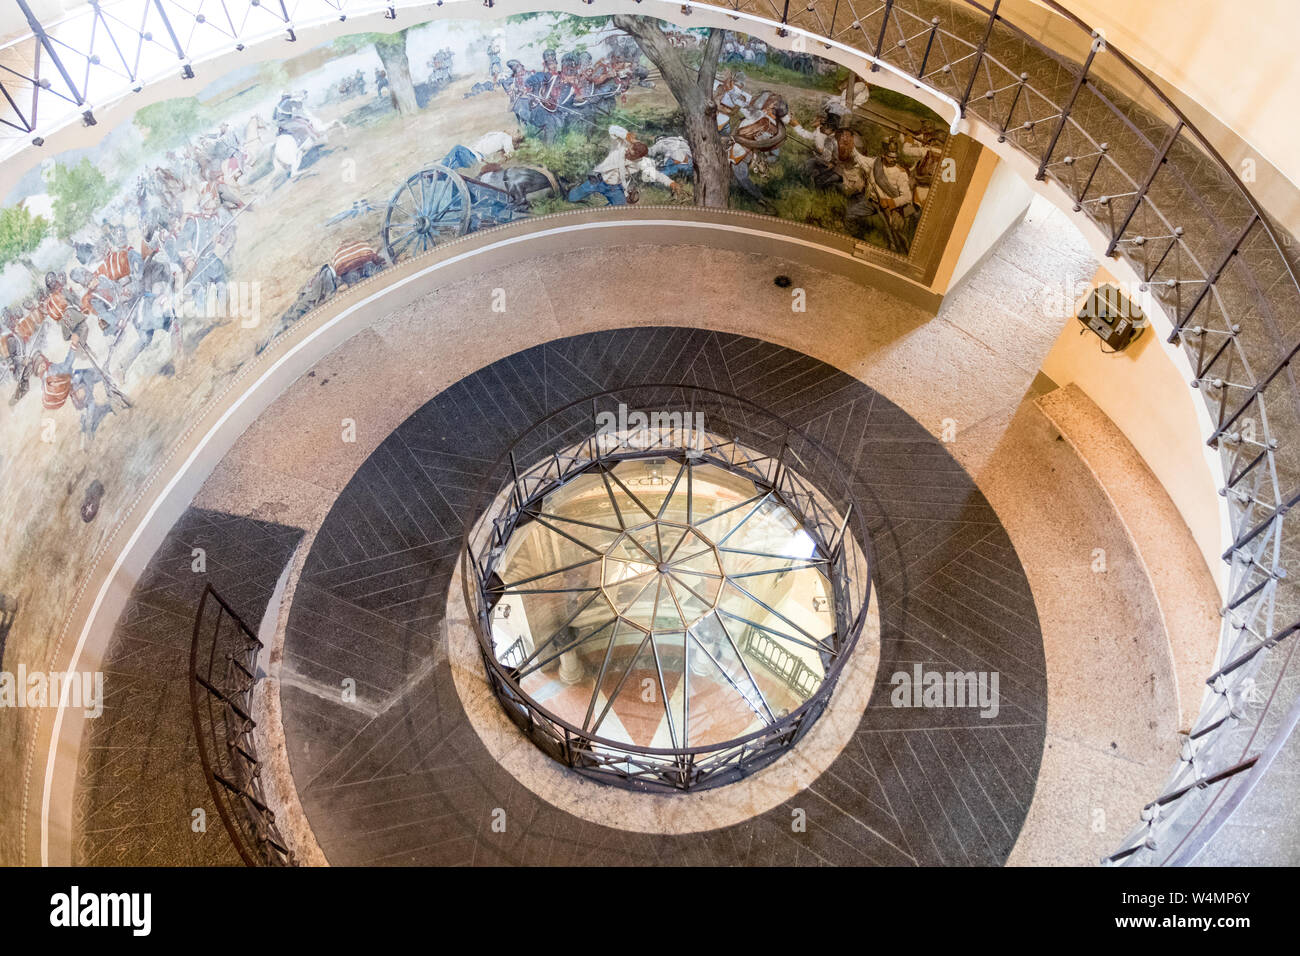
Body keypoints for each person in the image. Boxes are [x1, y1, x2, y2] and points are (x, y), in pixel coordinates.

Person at [568, 125, 683, 206]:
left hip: (614, 188)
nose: (627, 152)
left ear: (637, 156)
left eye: (631, 153)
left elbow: (657, 175)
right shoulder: (620, 144)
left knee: (619, 209)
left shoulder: (642, 163)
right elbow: (612, 129)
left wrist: (671, 183)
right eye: (629, 149)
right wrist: (626, 135)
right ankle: (570, 190)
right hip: (596, 180)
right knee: (572, 198)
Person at [439, 130, 524, 170]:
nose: (514, 131)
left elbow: (509, 153)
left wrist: (493, 164)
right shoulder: (500, 134)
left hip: (476, 158)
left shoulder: (507, 138)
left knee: (457, 149)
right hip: (473, 153)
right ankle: (445, 172)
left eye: (517, 132)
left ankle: (441, 169)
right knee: (454, 164)